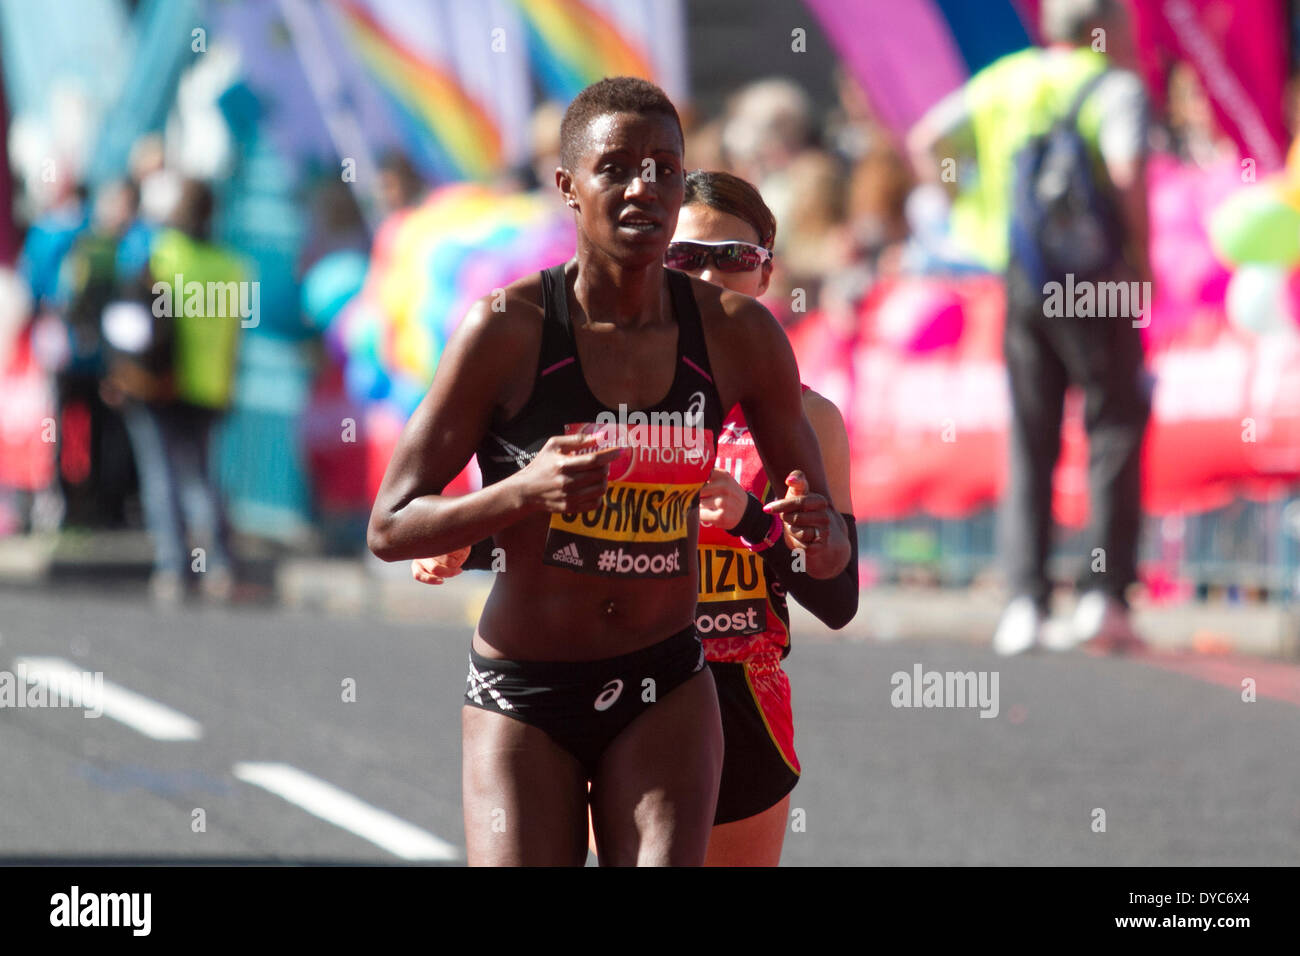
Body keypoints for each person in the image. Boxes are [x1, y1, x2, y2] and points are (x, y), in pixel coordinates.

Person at [367, 77, 851, 866]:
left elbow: (828, 561)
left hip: (666, 686)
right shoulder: (507, 329)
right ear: (567, 186)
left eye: (664, 166)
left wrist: (809, 531)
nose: (644, 188)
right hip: (526, 693)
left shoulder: (739, 336)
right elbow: (390, 525)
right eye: (617, 167)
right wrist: (521, 492)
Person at [908, 0, 1152, 655]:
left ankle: (1025, 601)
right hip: (1097, 277)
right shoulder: (1116, 87)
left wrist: (969, 216)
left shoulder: (1005, 80)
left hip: (1020, 272)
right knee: (1114, 427)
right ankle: (1104, 597)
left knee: (1032, 431)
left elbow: (927, 140)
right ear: (1109, 29)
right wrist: (1143, 263)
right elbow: (1129, 175)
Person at [107, 179, 243, 603]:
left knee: (162, 477)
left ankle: (173, 569)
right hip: (210, 387)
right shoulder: (231, 268)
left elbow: (133, 321)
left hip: (161, 386)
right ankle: (219, 565)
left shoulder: (161, 257)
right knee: (201, 478)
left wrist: (123, 373)